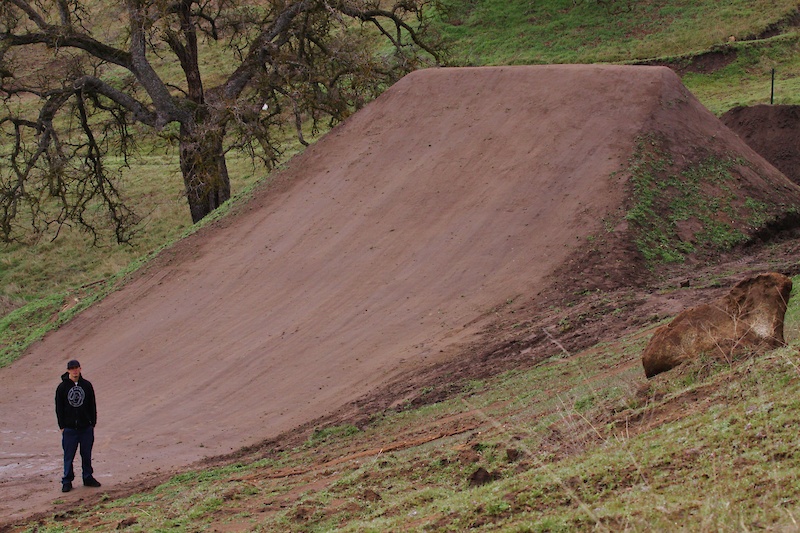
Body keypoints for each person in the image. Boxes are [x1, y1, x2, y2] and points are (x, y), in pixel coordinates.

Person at [55, 359, 101, 492]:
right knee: (69, 455)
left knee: (86, 454)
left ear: (80, 369)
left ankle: (88, 477)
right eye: (72, 368)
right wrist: (62, 426)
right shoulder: (62, 388)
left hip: (86, 427)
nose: (75, 370)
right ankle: (67, 480)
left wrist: (92, 422)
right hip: (69, 428)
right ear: (68, 370)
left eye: (77, 368)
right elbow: (59, 407)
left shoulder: (86, 385)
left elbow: (92, 404)